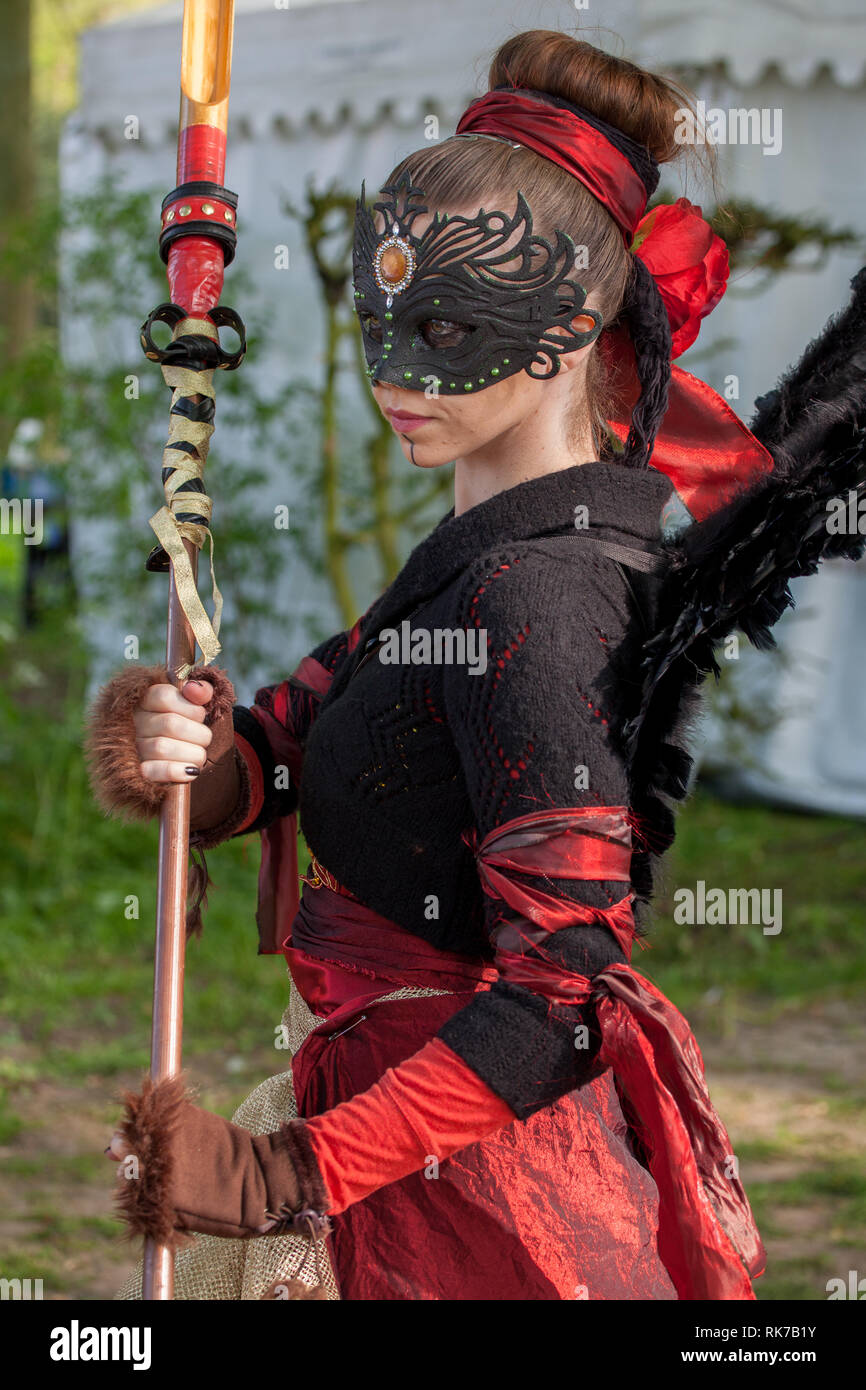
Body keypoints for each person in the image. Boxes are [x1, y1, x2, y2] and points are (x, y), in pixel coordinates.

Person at [86, 30, 866, 1301]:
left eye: (446, 325)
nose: (396, 371)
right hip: (380, 1130)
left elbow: (565, 990)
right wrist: (206, 756)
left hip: (459, 1206)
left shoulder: (539, 601)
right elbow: (309, 735)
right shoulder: (484, 550)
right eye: (381, 321)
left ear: (568, 329)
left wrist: (282, 1176)